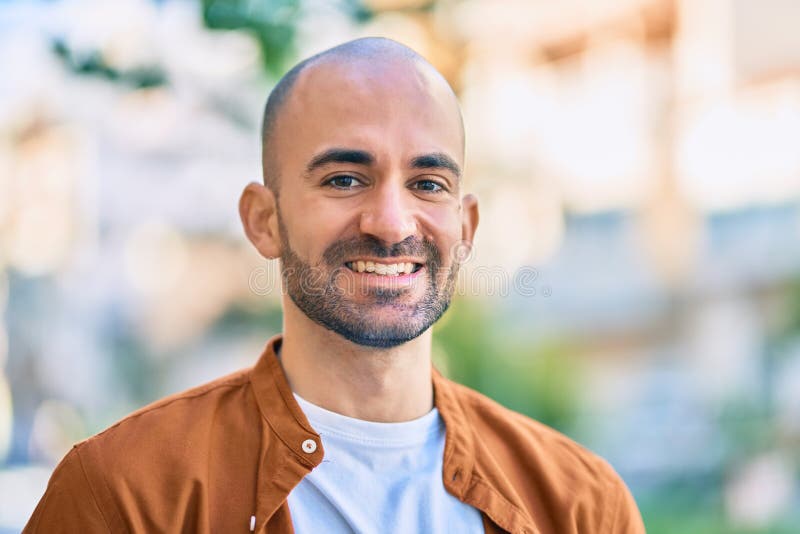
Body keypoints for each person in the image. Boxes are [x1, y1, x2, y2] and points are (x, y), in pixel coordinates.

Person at [24, 37, 645, 533]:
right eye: (345, 179)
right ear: (263, 221)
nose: (391, 225)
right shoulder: (125, 496)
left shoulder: (580, 505)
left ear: (467, 225)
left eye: (428, 183)